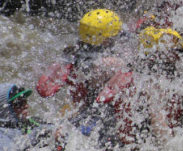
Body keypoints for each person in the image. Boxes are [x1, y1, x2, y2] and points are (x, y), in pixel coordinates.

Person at [37, 8, 130, 139]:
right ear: (106, 40)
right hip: (106, 121)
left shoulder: (71, 57)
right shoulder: (111, 62)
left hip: (81, 115)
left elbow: (44, 89)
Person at [0, 84, 61, 151]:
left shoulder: (31, 122)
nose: (26, 106)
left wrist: (57, 132)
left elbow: (49, 128)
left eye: (25, 101)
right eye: (20, 103)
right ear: (5, 110)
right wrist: (37, 135)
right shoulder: (2, 136)